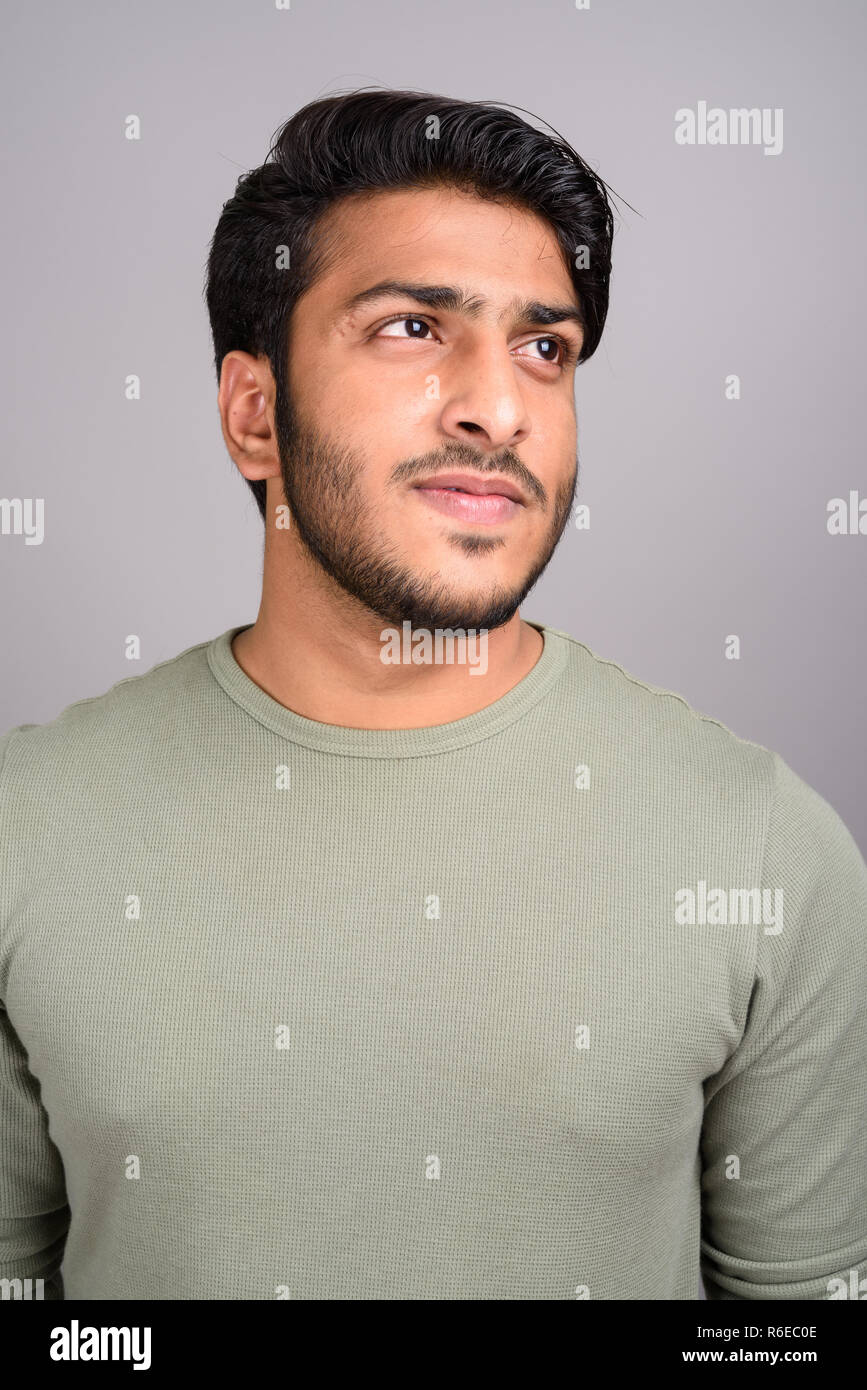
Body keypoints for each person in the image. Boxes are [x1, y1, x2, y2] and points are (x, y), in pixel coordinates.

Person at [1, 88, 864, 1302]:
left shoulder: (764, 844)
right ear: (255, 414)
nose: (499, 405)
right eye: (412, 327)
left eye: (544, 347)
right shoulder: (23, 831)